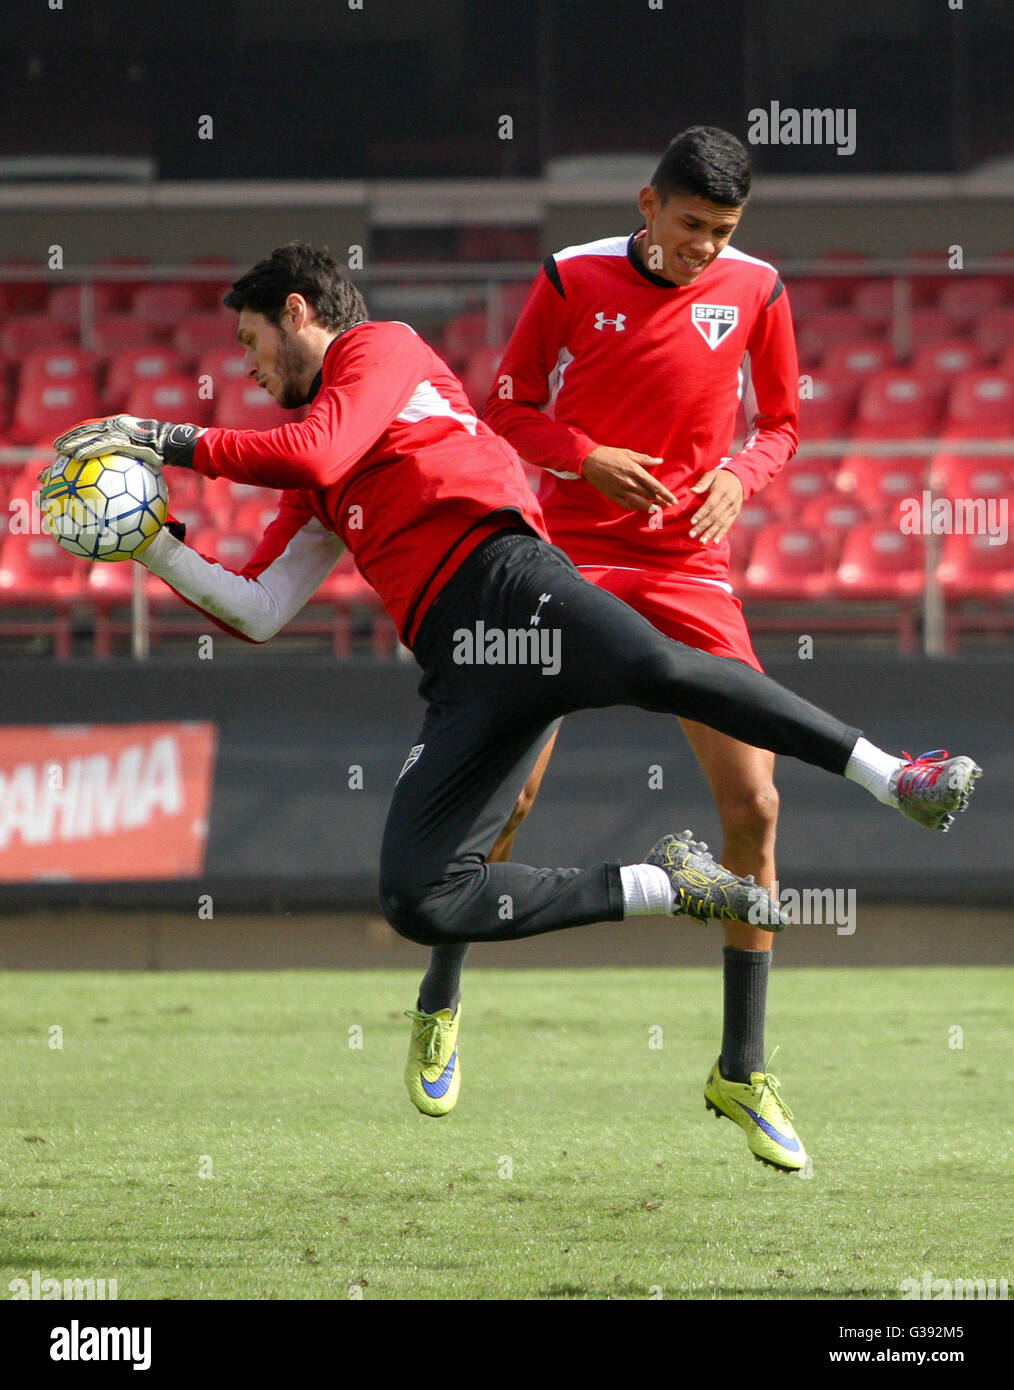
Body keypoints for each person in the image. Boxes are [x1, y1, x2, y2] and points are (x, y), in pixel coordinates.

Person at [50, 243, 980, 1171]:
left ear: (300, 312)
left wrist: (159, 435)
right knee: (420, 897)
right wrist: (153, 550)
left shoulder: (382, 349)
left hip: (512, 586)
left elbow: (317, 446)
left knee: (666, 668)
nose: (247, 367)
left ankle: (895, 774)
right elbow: (257, 608)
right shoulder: (319, 480)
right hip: (465, 674)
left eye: (251, 340)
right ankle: (668, 885)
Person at [428, 123, 810, 1169]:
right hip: (568, 562)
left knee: (758, 806)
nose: (703, 249)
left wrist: (744, 475)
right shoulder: (570, 277)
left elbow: (779, 423)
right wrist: (586, 457)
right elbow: (502, 408)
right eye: (689, 227)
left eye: (722, 232)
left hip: (688, 570)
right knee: (510, 801)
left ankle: (741, 1068)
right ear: (648, 206)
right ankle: (443, 995)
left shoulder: (760, 288)